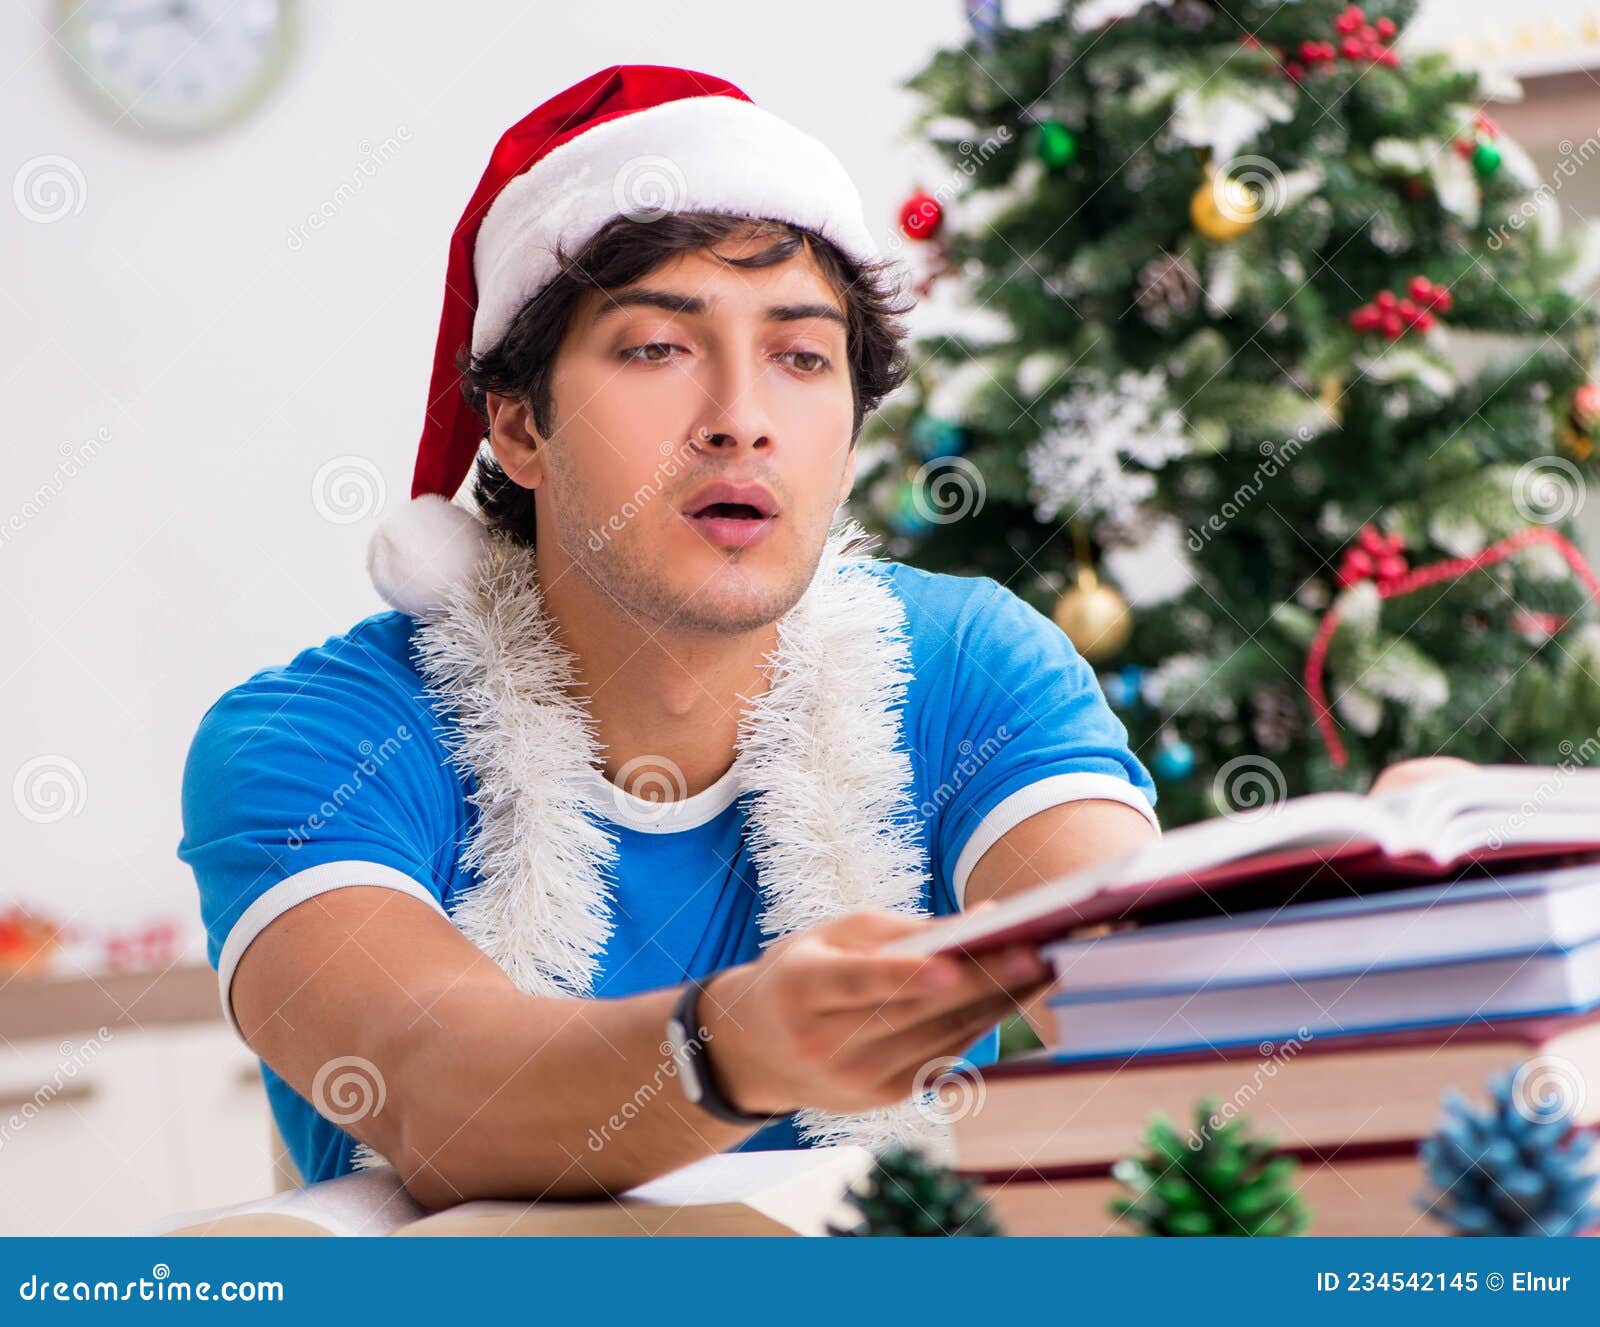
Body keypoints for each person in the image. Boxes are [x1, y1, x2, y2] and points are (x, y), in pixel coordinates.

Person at [177, 64, 1444, 1211]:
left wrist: (1389, 904)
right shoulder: (314, 739)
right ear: (516, 427)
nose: (740, 419)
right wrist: (731, 1045)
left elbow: (1130, 964)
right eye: (659, 347)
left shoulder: (968, 664)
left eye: (799, 356)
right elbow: (428, 1085)